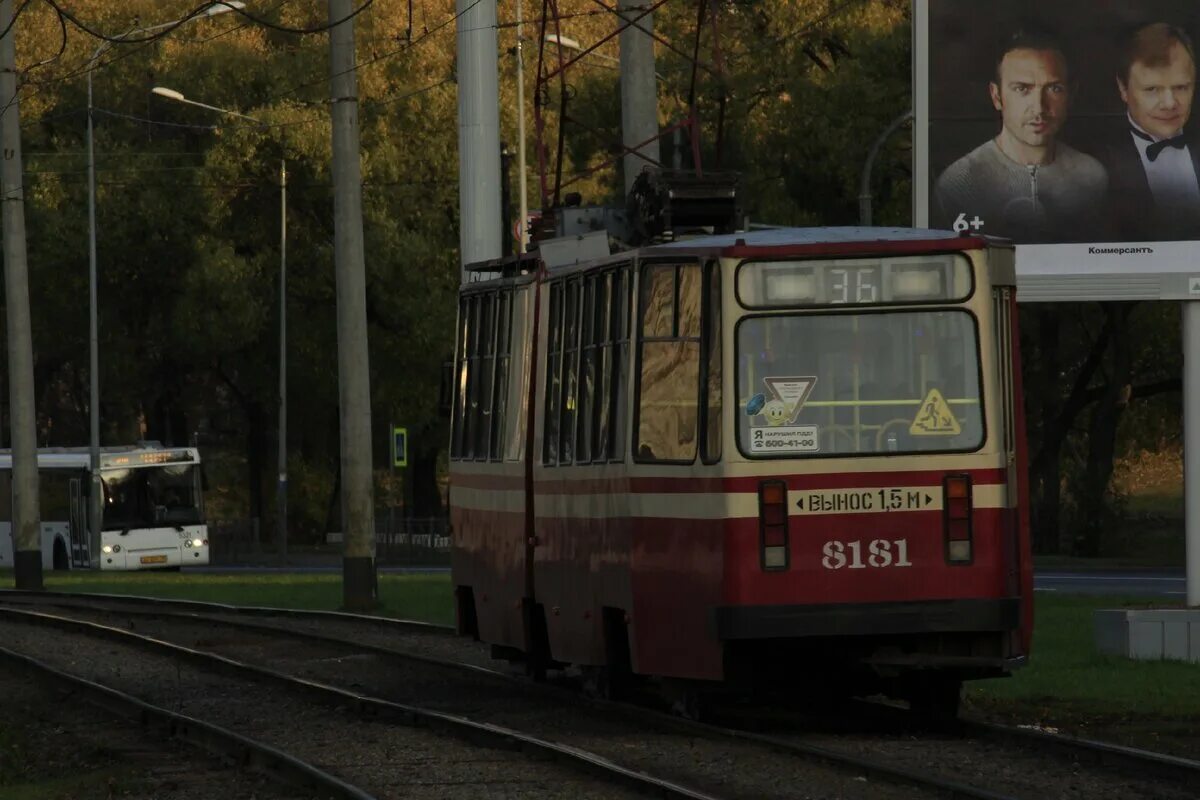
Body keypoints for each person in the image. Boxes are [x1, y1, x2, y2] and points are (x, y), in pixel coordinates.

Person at [933, 30, 1107, 243]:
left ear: (1071, 95)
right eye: (1022, 89)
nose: (1039, 108)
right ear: (996, 96)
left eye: (1054, 88)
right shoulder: (958, 184)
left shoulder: (1092, 177)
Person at [1093, 22, 1200, 241]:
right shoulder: (1095, 167)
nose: (1170, 104)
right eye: (1152, 90)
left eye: (1181, 87)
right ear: (1123, 89)